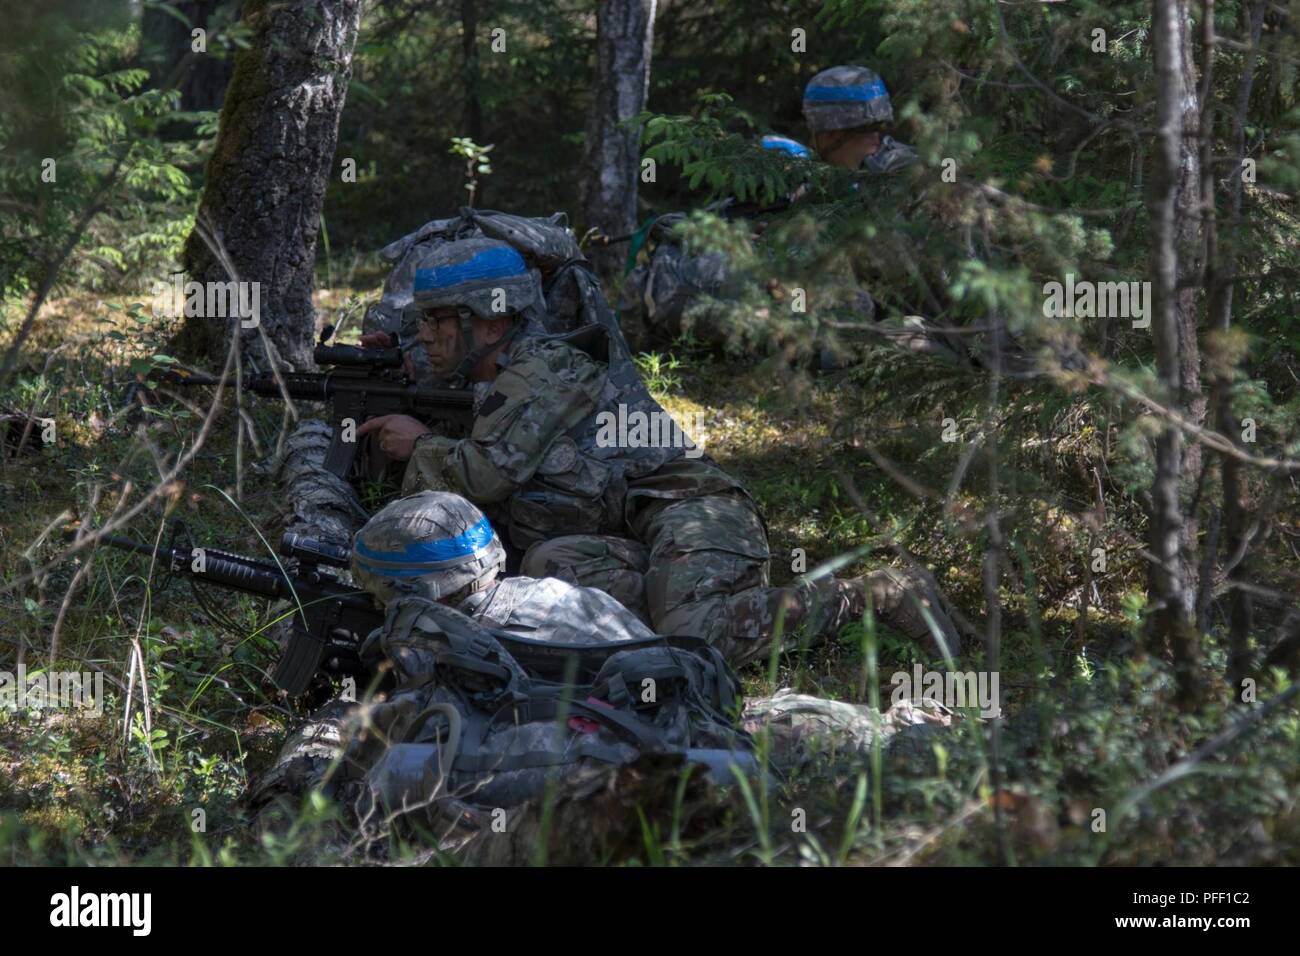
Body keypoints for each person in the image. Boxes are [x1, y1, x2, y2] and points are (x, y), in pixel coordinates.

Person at [253, 492, 955, 864]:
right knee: (813, 726)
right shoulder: (565, 593)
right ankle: (926, 732)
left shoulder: (429, 648)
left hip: (577, 784)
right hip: (685, 740)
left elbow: (325, 772)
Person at [356, 239, 962, 667]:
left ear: (490, 325)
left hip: (695, 511)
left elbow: (485, 474)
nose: (426, 337)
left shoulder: (545, 370)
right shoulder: (492, 375)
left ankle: (875, 595)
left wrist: (419, 443)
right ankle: (684, 603)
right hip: (640, 532)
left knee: (695, 637)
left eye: (439, 322)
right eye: (423, 324)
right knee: (545, 567)